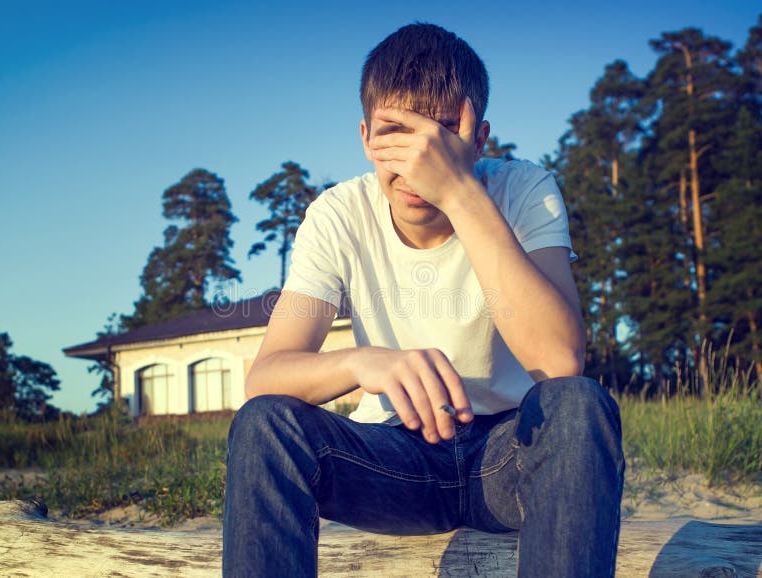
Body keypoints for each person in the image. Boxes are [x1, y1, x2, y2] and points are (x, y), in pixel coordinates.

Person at [223, 22, 624, 578]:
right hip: (394, 461)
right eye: (395, 135)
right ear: (365, 137)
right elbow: (266, 377)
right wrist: (364, 363)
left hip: (513, 455)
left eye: (440, 136)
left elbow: (560, 361)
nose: (416, 162)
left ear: (479, 140)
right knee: (265, 424)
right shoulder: (338, 214)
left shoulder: (524, 189)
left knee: (579, 404)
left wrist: (460, 191)